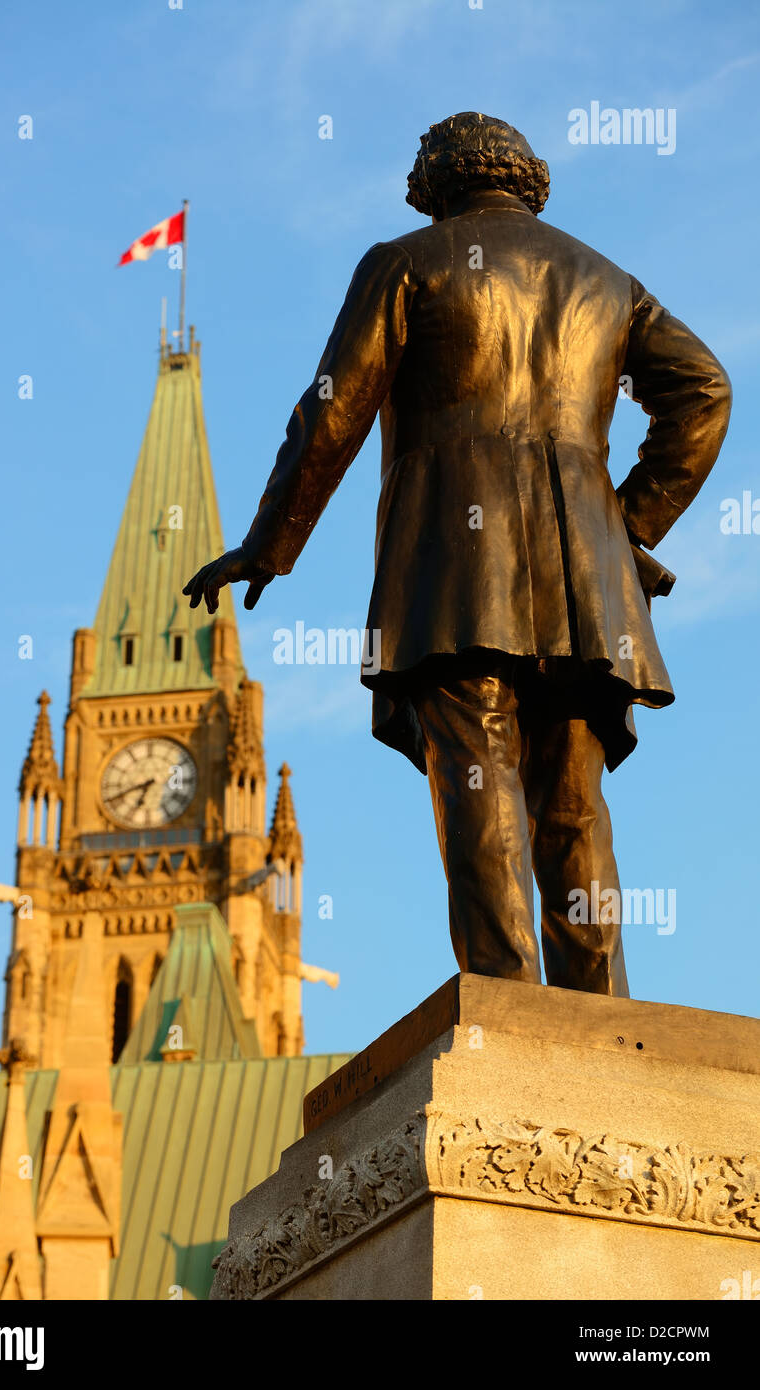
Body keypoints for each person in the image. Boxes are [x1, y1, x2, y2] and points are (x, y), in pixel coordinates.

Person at [184, 112, 731, 997]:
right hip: (586, 588)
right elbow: (705, 392)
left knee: (480, 782)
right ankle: (600, 1016)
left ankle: (507, 1004)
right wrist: (623, 527)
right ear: (526, 179)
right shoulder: (603, 278)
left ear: (431, 184)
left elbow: (332, 411)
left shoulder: (405, 262)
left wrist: (268, 545)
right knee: (572, 806)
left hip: (452, 570)